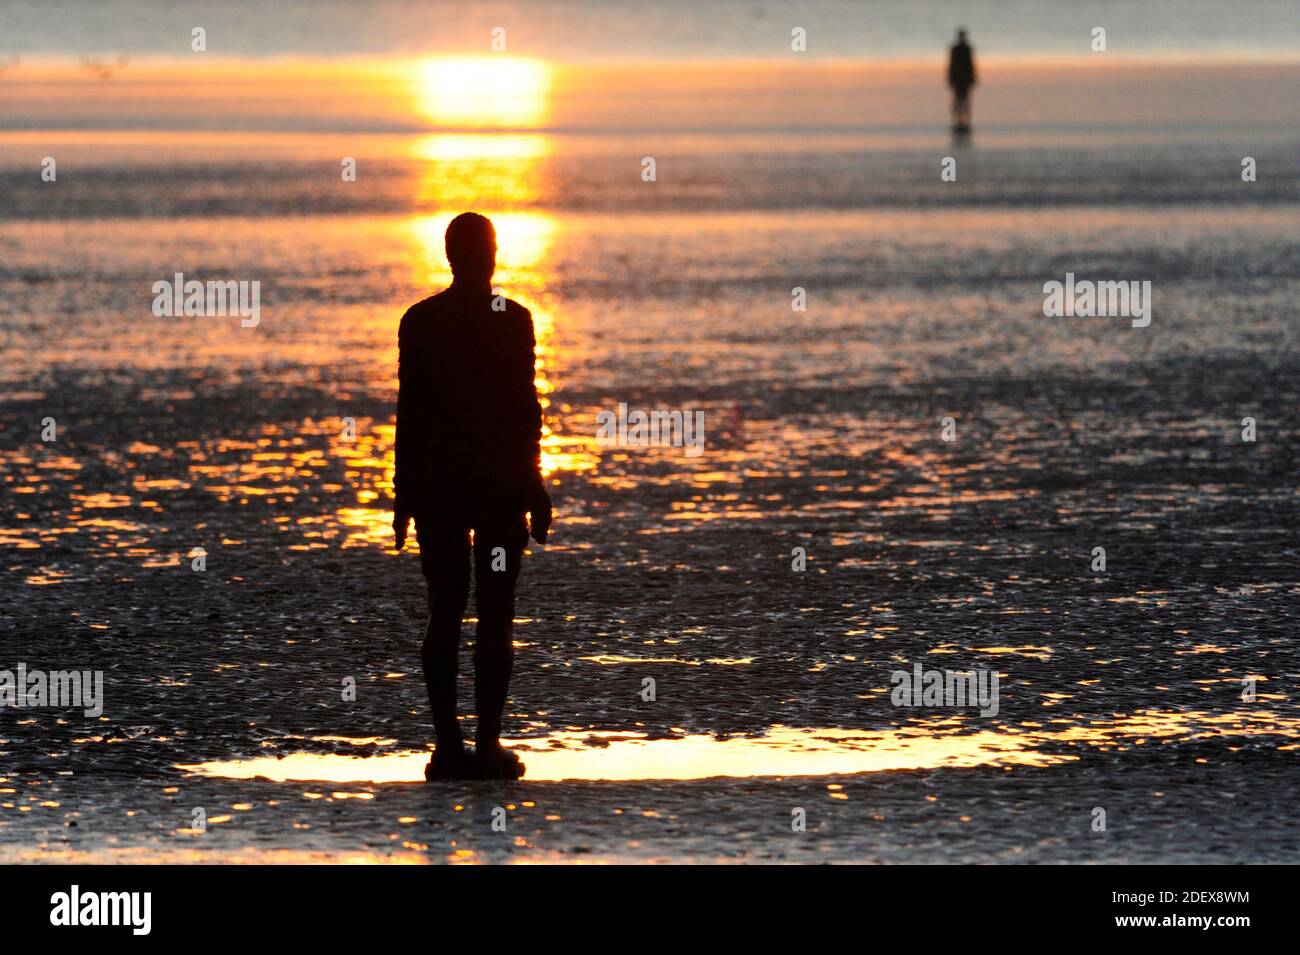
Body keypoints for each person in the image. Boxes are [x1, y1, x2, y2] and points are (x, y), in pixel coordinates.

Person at [392, 211, 552, 781]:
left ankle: (448, 746)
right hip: (497, 485)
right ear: (490, 255)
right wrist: (534, 483)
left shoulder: (422, 320)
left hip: (440, 484)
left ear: (449, 256)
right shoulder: (513, 320)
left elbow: (409, 416)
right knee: (495, 613)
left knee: (446, 609)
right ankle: (484, 746)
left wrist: (402, 495)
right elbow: (525, 411)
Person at [947, 29, 976, 131]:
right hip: (960, 79)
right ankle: (959, 120)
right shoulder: (960, 49)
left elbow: (970, 65)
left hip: (962, 79)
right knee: (960, 100)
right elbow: (952, 65)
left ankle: (962, 120)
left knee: (963, 100)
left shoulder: (964, 49)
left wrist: (972, 78)